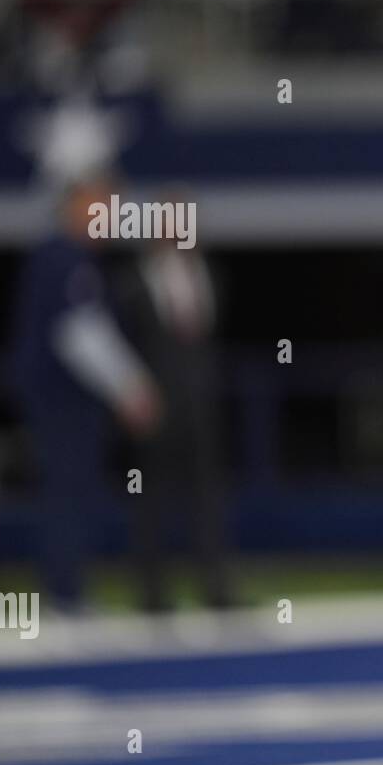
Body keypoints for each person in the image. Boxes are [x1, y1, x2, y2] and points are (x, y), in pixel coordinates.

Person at [9, 170, 161, 611]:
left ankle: (67, 590)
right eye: (104, 205)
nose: (112, 216)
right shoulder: (64, 257)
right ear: (78, 205)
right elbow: (80, 335)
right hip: (61, 399)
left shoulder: (73, 258)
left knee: (72, 490)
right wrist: (131, 387)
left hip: (67, 397)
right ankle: (65, 595)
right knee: (67, 491)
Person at [114, 221, 233, 612]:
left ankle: (215, 589)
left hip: (200, 404)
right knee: (151, 498)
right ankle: (152, 593)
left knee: (207, 498)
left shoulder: (207, 273)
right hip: (153, 402)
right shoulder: (131, 281)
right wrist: (132, 391)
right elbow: (123, 340)